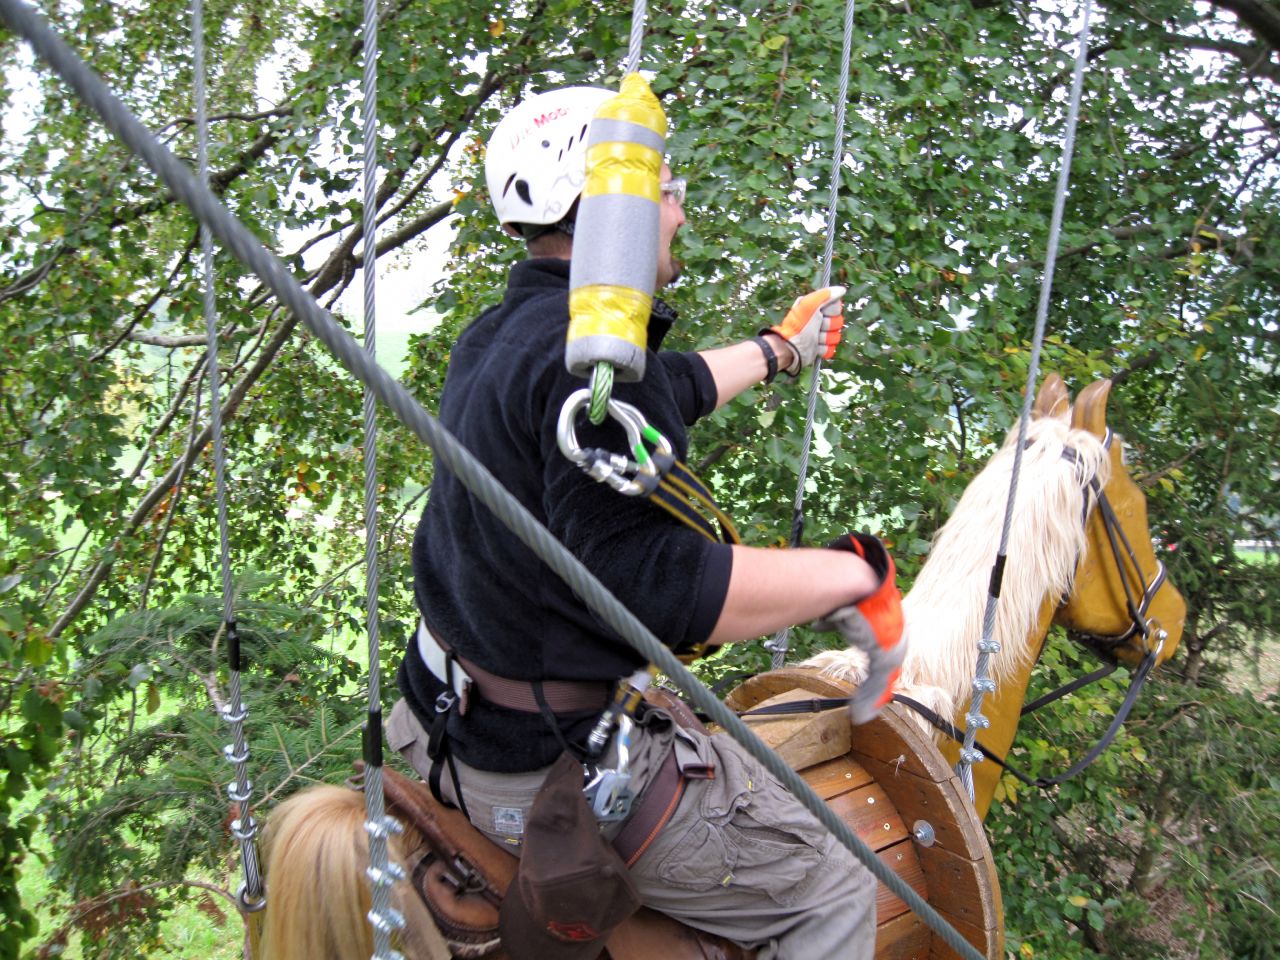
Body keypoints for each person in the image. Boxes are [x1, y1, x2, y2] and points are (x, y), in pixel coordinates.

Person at [389, 86, 900, 960]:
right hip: (537, 760)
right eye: (666, 191)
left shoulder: (501, 333)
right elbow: (656, 586)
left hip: (434, 715)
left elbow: (655, 393)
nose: (679, 212)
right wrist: (856, 575)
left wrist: (780, 350)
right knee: (837, 889)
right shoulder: (583, 366)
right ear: (615, 205)